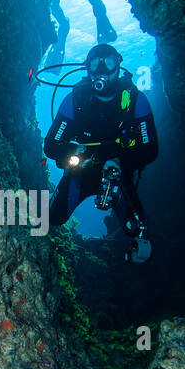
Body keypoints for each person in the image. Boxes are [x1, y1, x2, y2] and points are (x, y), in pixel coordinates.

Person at [43, 44, 158, 262]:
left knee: (138, 230)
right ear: (87, 69)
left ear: (118, 65)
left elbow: (151, 149)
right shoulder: (76, 100)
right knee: (53, 218)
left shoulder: (135, 100)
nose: (103, 71)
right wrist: (79, 152)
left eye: (109, 63)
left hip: (118, 177)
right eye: (96, 65)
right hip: (81, 173)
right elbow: (51, 145)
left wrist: (118, 160)